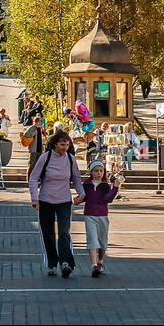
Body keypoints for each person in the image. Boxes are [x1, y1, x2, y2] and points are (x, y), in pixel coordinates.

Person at [29, 130, 86, 277]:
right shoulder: (45, 158)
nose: (65, 147)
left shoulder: (71, 159)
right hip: (45, 200)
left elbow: (77, 179)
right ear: (54, 144)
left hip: (64, 201)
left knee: (63, 232)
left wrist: (82, 194)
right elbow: (33, 179)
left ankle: (66, 263)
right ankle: (51, 263)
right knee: (48, 233)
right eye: (62, 144)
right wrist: (35, 198)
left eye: (67, 145)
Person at [81, 158, 121, 277]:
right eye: (96, 171)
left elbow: (108, 199)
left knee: (103, 242)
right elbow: (83, 196)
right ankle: (94, 265)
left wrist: (115, 187)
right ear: (91, 172)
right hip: (89, 215)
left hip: (102, 215)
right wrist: (78, 199)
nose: (98, 173)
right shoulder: (87, 185)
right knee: (92, 240)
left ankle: (100, 261)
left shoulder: (105, 186)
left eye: (101, 171)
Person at [26, 114, 45, 180]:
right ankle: (29, 178)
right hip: (33, 149)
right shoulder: (32, 127)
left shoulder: (40, 128)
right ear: (36, 122)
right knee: (32, 164)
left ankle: (37, 178)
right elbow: (26, 134)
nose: (41, 123)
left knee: (38, 165)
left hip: (39, 149)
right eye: (40, 121)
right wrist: (35, 132)